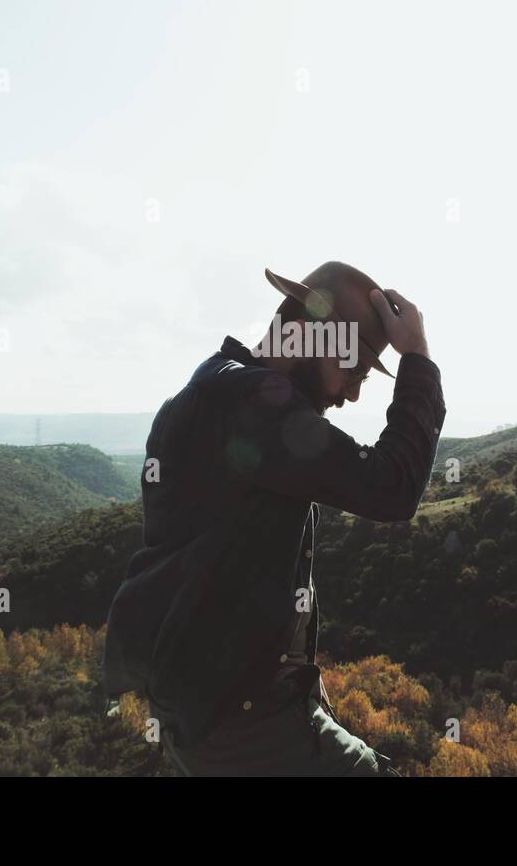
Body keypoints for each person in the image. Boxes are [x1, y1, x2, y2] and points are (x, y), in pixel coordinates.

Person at [102, 261, 446, 775]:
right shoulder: (254, 406)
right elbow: (392, 487)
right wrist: (416, 359)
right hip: (236, 719)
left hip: (205, 711)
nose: (351, 394)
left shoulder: (217, 389)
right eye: (353, 369)